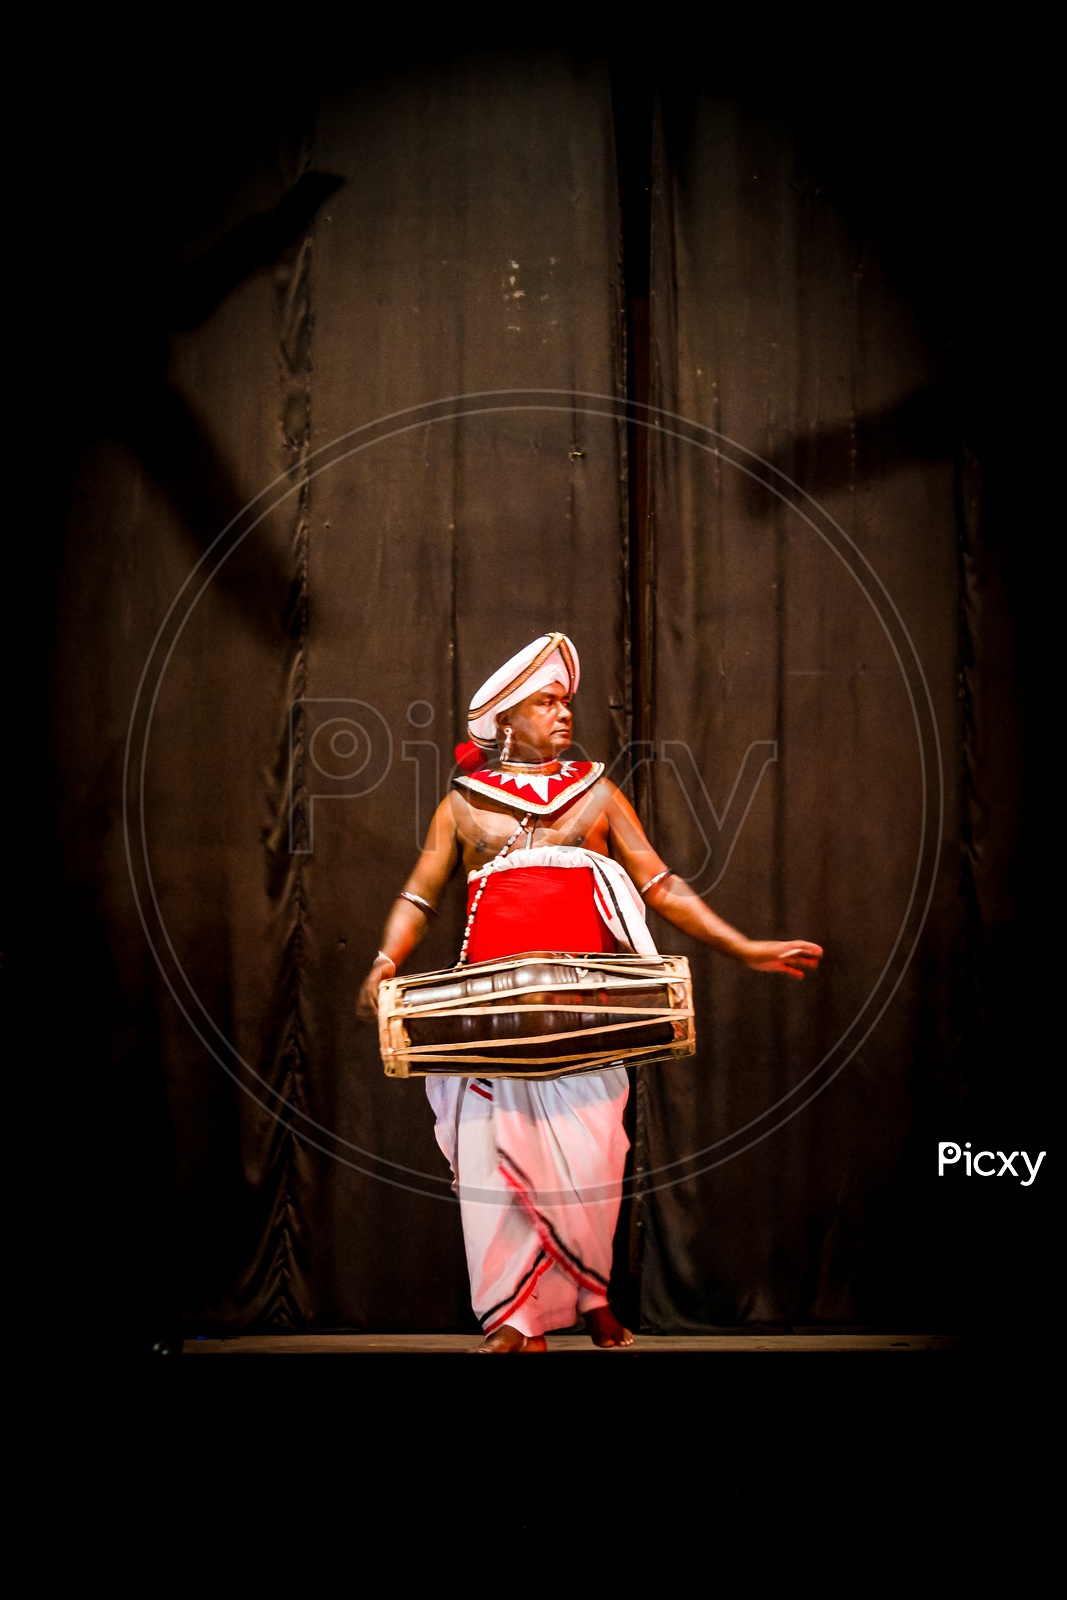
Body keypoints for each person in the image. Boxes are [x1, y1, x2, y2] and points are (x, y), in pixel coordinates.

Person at [358, 632, 822, 1352]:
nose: (562, 713)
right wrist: (386, 958)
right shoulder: (461, 806)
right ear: (506, 718)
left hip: (587, 1011)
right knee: (495, 1158)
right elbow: (418, 896)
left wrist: (743, 946)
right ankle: (515, 1318)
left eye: (564, 701)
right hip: (492, 1013)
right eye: (545, 702)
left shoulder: (598, 792)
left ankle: (591, 1295)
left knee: (592, 1157)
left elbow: (660, 884)